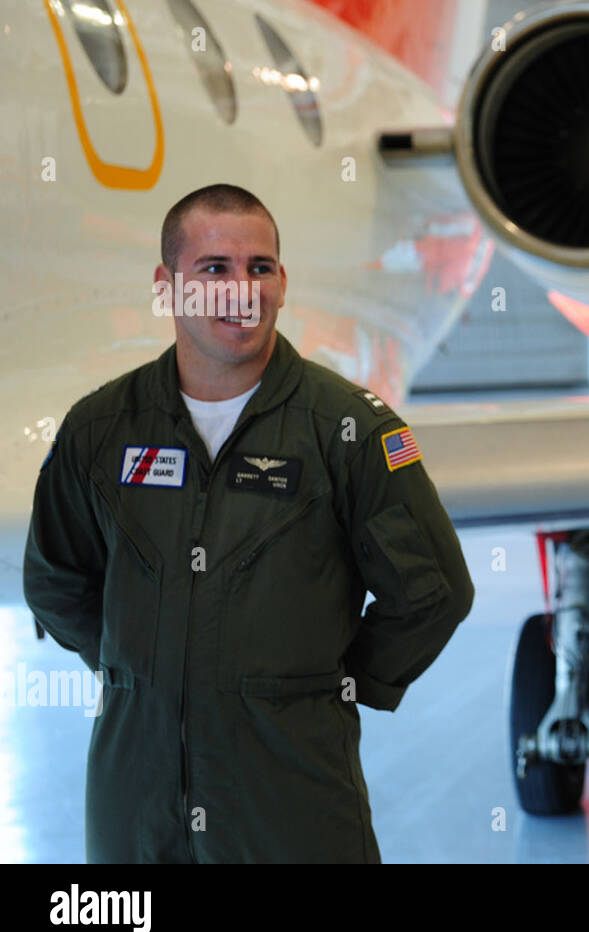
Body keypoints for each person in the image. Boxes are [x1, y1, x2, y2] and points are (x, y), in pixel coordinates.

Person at [23, 183, 475, 862]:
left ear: (283, 283)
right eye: (215, 269)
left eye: (259, 268)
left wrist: (331, 683)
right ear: (167, 286)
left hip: (290, 811)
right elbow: (57, 580)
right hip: (134, 815)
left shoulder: (348, 429)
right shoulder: (100, 429)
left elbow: (434, 590)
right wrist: (138, 673)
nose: (242, 288)